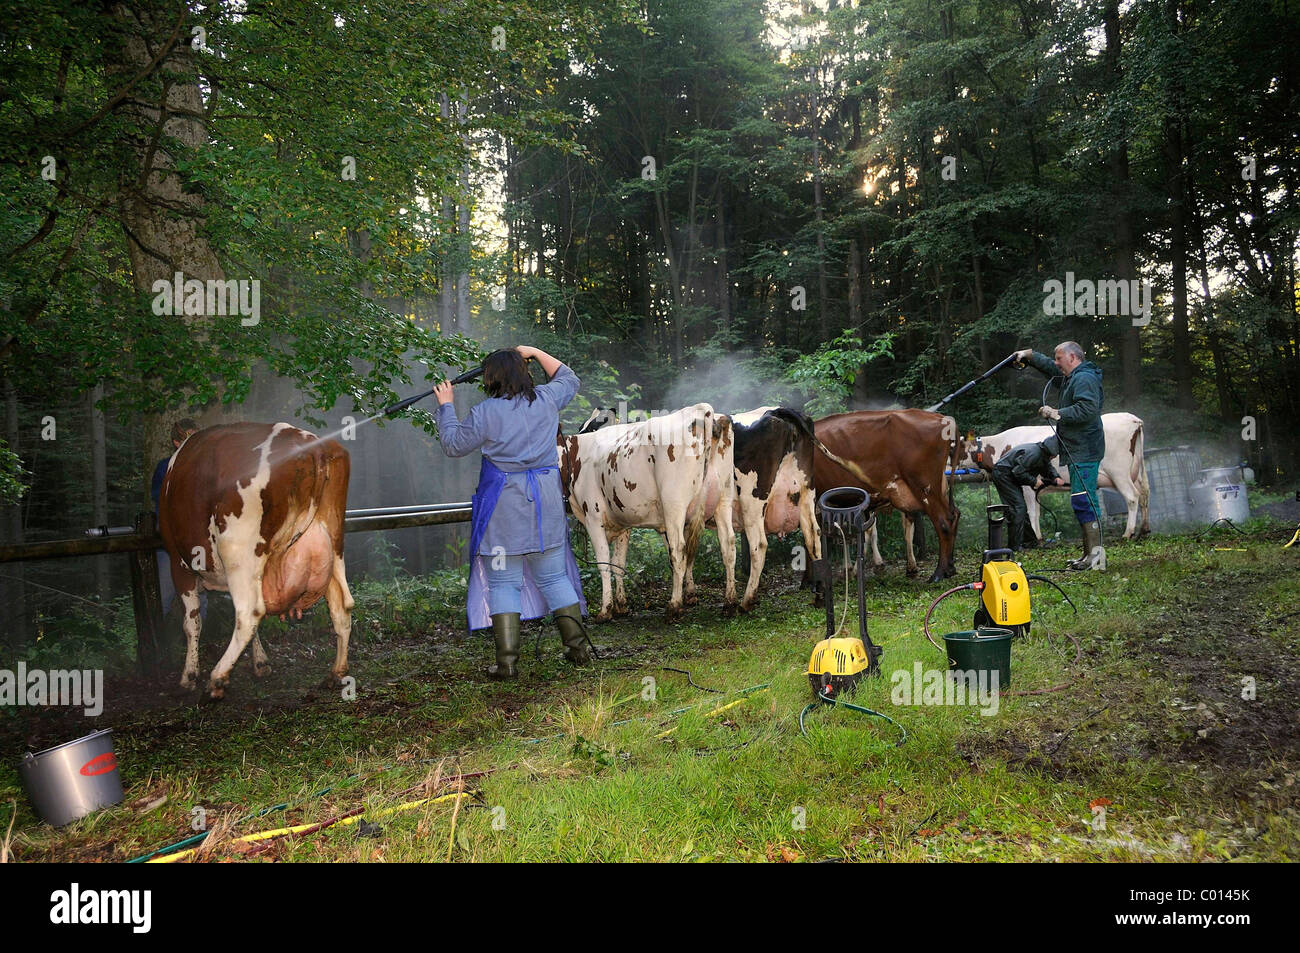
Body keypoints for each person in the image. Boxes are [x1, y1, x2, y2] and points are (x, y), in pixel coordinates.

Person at [434, 345, 590, 679]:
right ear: (524, 371)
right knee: (554, 576)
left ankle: (507, 664)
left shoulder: (485, 412)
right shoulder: (547, 399)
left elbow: (453, 445)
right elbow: (569, 377)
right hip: (545, 503)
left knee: (504, 582)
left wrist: (446, 406)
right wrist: (534, 351)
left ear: (490, 378)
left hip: (505, 507)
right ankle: (578, 650)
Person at [1013, 341, 1107, 570]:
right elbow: (1052, 369)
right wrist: (1031, 356)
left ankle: (1096, 559)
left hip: (1084, 449)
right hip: (1078, 448)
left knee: (1086, 501)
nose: (1056, 363)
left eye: (1059, 359)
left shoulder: (1084, 379)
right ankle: (1089, 557)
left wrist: (1057, 413)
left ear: (1073, 358)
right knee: (1081, 501)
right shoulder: (1073, 376)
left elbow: (1088, 409)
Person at [152, 419, 205, 617]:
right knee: (163, 595)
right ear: (177, 442)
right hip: (170, 544)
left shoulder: (205, 466)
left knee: (200, 594)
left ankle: (199, 645)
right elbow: (162, 498)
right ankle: (156, 645)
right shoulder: (165, 467)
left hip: (197, 543)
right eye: (190, 437)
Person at [991, 436, 1065, 551]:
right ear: (1051, 451)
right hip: (1003, 475)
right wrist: (1034, 481)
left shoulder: (1042, 454)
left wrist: (1055, 477)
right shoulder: (1034, 454)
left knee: (1020, 509)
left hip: (1008, 475)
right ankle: (1015, 547)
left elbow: (1047, 467)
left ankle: (1030, 542)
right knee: (1018, 508)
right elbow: (1018, 471)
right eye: (1055, 454)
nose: (1055, 457)